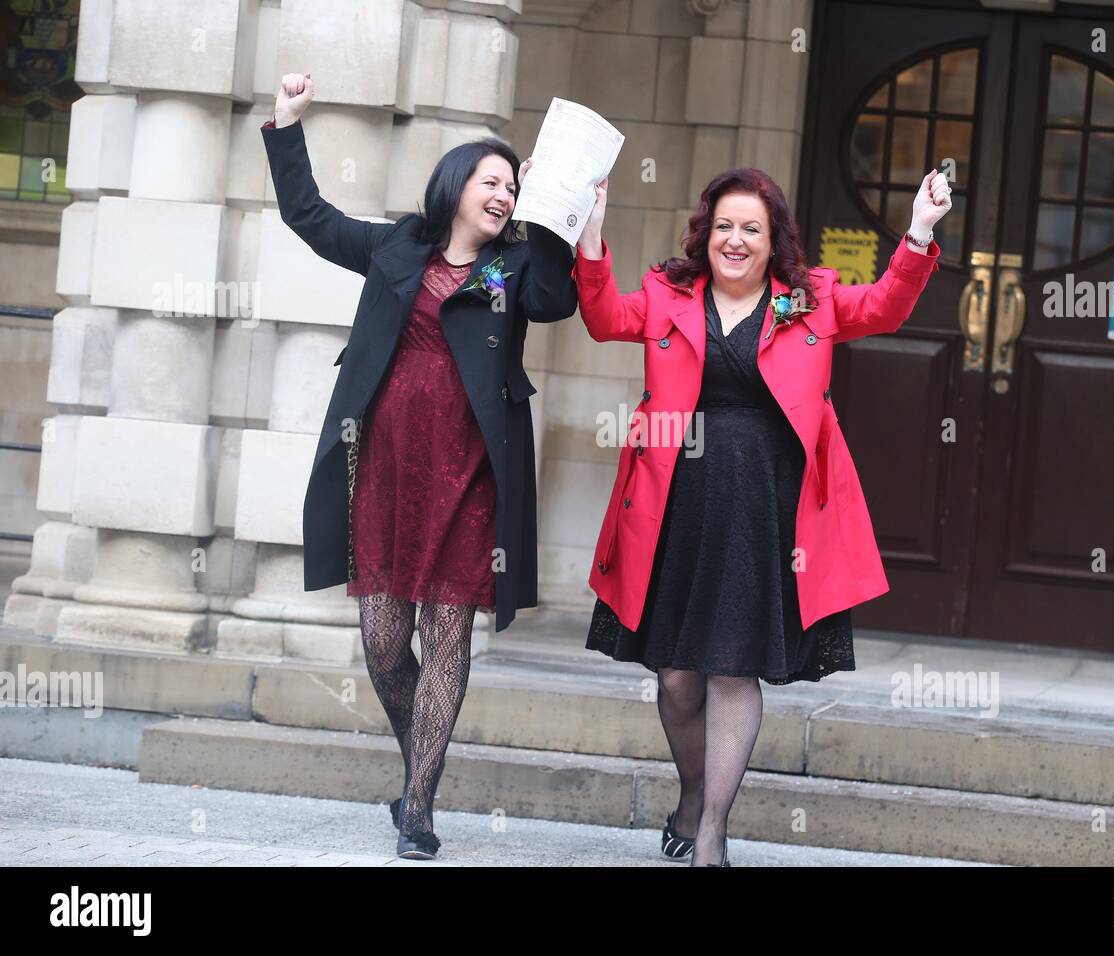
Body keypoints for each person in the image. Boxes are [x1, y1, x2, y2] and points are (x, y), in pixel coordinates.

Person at [572, 165, 950, 866]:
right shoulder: (667, 293)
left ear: (774, 240)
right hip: (678, 505)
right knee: (679, 678)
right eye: (724, 227)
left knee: (731, 669)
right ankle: (692, 796)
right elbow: (601, 319)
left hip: (768, 509)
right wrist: (591, 236)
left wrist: (919, 231)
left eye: (751, 228)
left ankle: (712, 830)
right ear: (705, 234)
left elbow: (887, 307)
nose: (736, 240)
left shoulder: (812, 300)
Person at [262, 73, 577, 860]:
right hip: (388, 464)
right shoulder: (397, 246)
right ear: (456, 186)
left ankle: (419, 810)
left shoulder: (512, 265)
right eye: (492, 181)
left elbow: (555, 301)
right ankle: (419, 769)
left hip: (472, 468)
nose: (503, 194)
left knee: (446, 632)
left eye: (512, 185)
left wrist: (551, 216)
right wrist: (287, 125)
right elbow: (310, 217)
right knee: (380, 639)